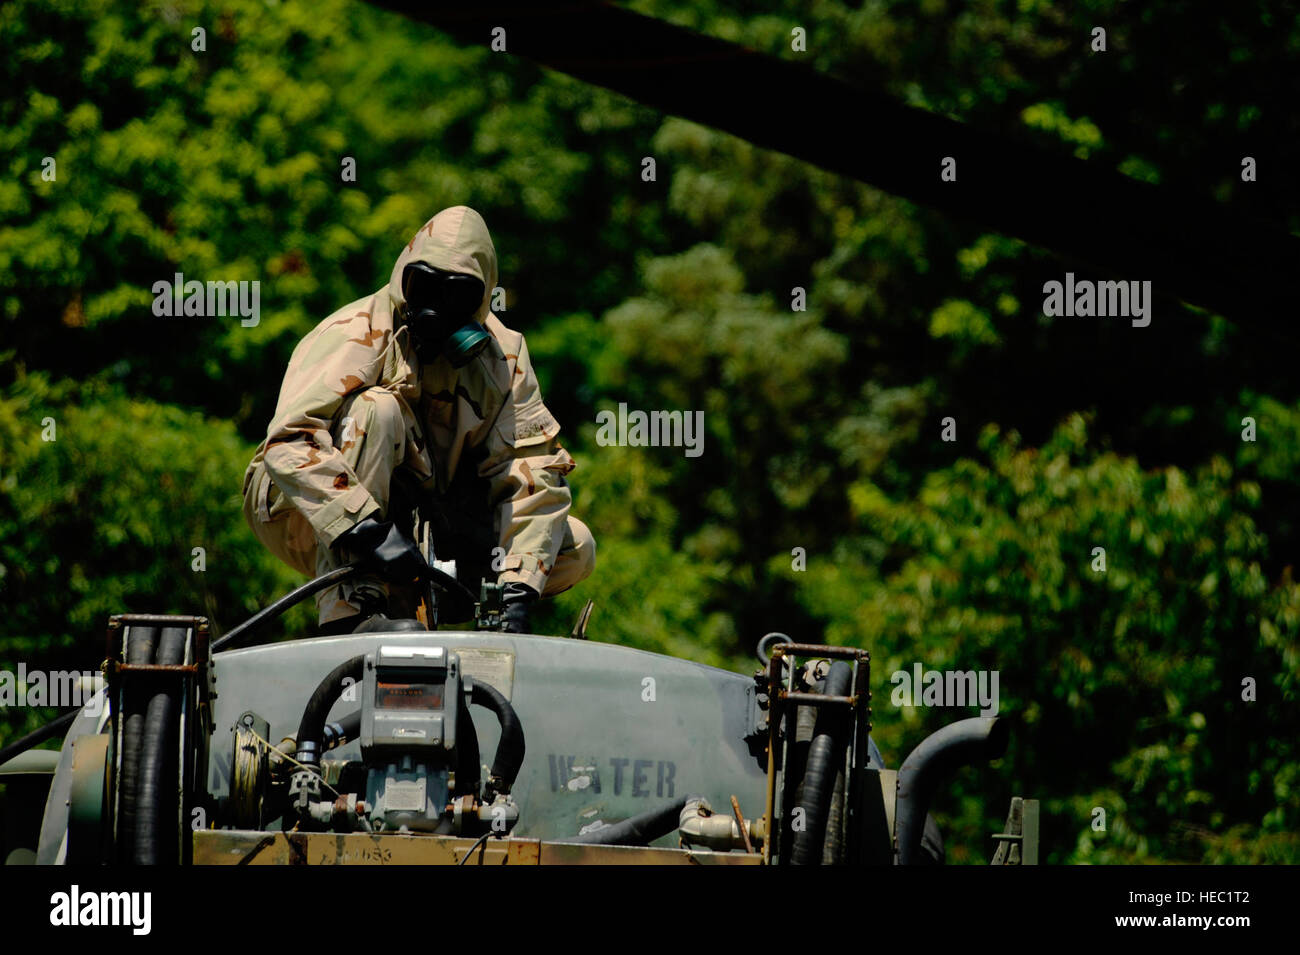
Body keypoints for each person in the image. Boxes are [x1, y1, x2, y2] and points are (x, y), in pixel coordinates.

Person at [241, 206, 594, 634]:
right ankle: (351, 612)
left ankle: (456, 606)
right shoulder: (354, 331)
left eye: (457, 294)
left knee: (574, 547)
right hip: (302, 513)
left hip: (426, 522)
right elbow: (289, 443)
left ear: (481, 301)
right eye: (424, 286)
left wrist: (518, 589)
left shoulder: (504, 358)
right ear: (403, 277)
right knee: (377, 408)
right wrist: (364, 530)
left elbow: (534, 472)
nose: (435, 310)